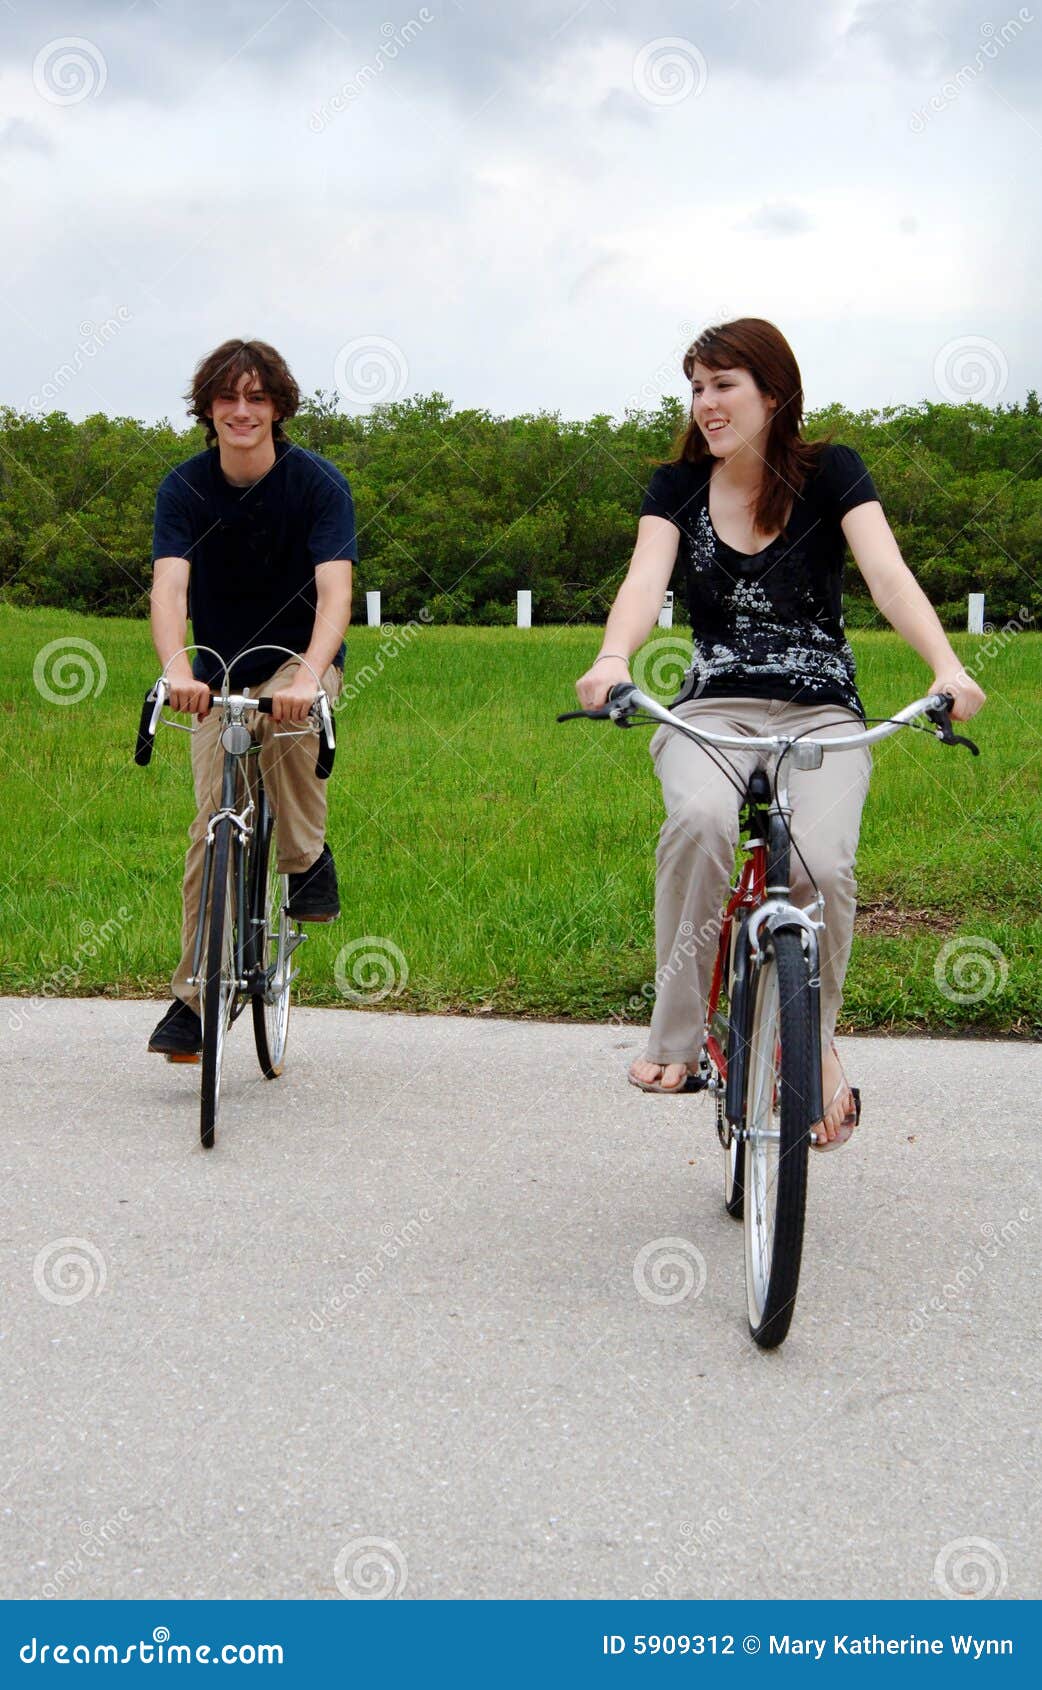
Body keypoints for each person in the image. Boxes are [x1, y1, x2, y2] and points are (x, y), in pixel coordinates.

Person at [575, 317, 985, 1146]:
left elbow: (888, 575)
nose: (706, 404)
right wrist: (614, 656)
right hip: (711, 708)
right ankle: (679, 1039)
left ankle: (815, 1044)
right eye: (696, 387)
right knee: (698, 821)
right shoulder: (675, 486)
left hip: (822, 710)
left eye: (724, 385)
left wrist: (947, 666)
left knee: (819, 865)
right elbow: (643, 578)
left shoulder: (832, 473)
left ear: (774, 392)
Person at [147, 338, 356, 1059]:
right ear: (208, 407)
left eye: (257, 397)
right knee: (213, 827)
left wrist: (308, 677)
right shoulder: (183, 488)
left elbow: (335, 593)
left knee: (293, 730)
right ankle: (195, 1002)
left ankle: (304, 859)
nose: (242, 410)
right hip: (216, 671)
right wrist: (177, 668)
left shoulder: (317, 485)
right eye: (228, 397)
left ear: (278, 407)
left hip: (296, 659)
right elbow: (170, 587)